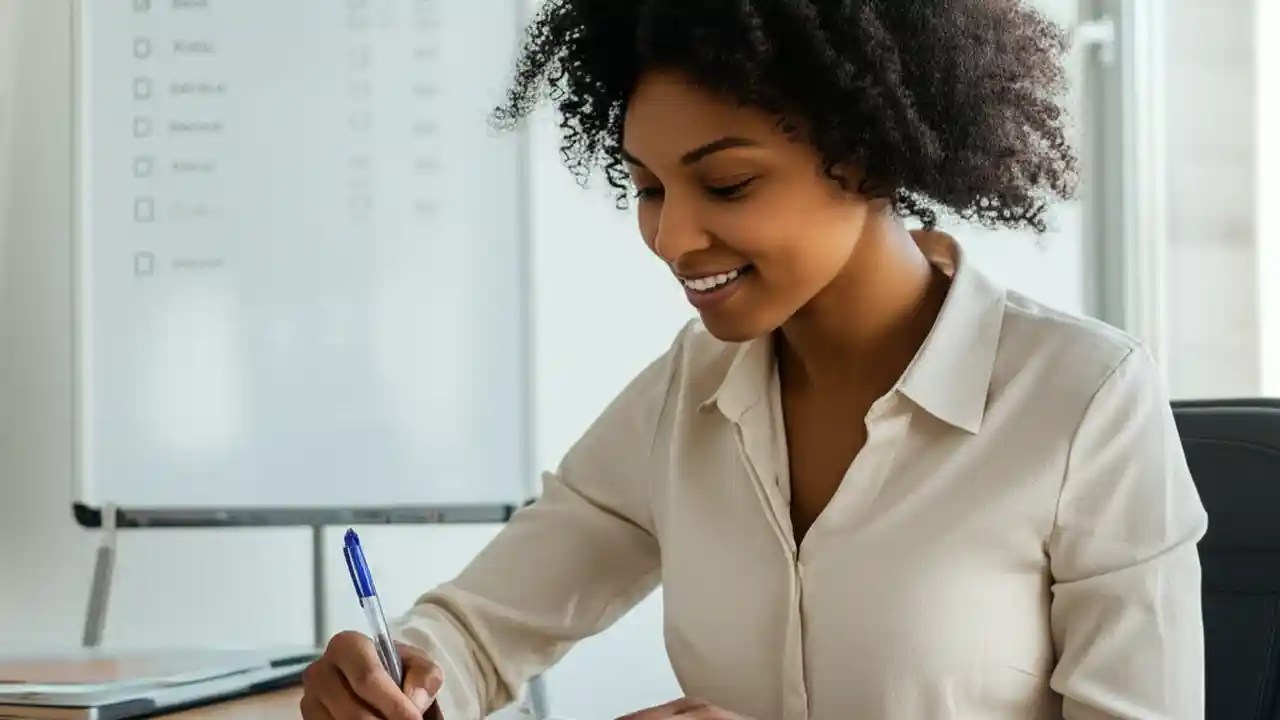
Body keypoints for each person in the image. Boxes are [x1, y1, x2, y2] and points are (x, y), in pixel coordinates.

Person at [301, 0, 1208, 717]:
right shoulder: (687, 391)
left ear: (866, 154)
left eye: (726, 184)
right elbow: (485, 626)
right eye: (648, 188)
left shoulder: (1083, 399)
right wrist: (405, 674)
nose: (671, 236)